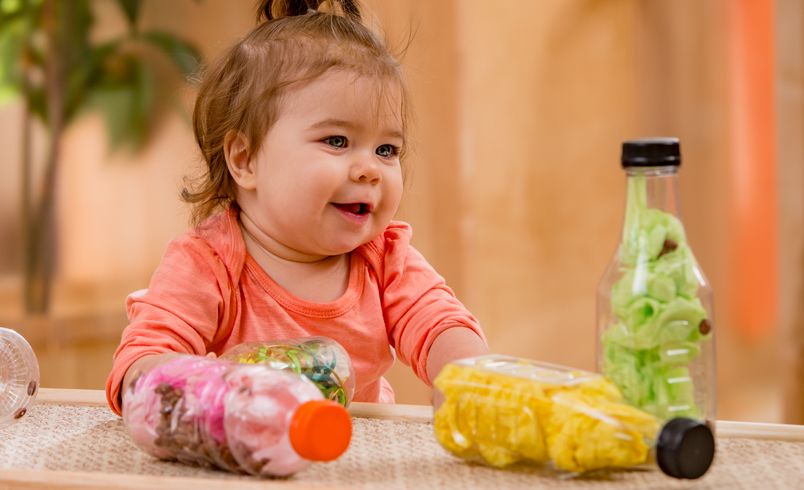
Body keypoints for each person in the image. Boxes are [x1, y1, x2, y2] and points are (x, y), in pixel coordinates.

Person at [105, 0, 488, 415]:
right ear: (244, 160)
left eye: (386, 149)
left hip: (357, 459)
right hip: (243, 456)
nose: (369, 170)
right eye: (337, 141)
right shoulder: (208, 262)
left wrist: (464, 374)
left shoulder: (384, 258)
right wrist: (189, 385)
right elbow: (141, 366)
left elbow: (440, 322)